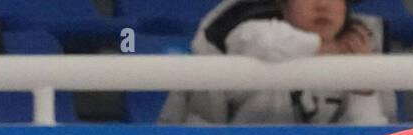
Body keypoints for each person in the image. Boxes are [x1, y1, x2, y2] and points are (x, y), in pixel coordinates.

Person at [160, 0, 393, 125]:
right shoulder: (244, 27)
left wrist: (363, 91)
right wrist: (329, 49)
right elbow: (262, 42)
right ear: (283, 6)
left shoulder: (362, 43)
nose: (323, 4)